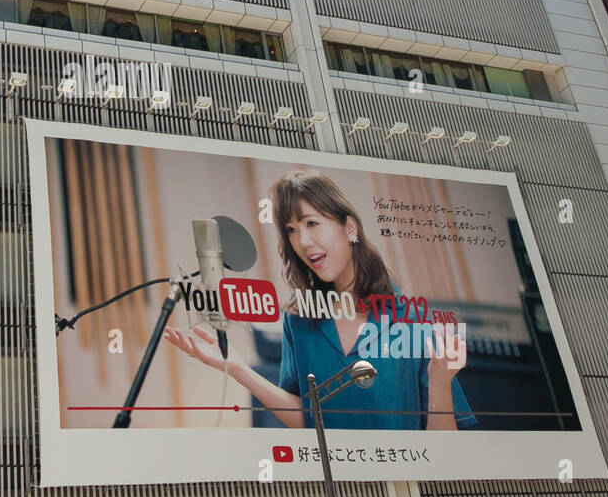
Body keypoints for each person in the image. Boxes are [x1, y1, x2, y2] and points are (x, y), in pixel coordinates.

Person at [164, 169, 477, 431]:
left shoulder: (410, 317)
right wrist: (236, 367)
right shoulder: (298, 320)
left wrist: (440, 381)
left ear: (349, 227)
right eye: (291, 230)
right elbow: (307, 418)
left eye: (312, 223)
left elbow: (444, 449)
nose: (303, 241)